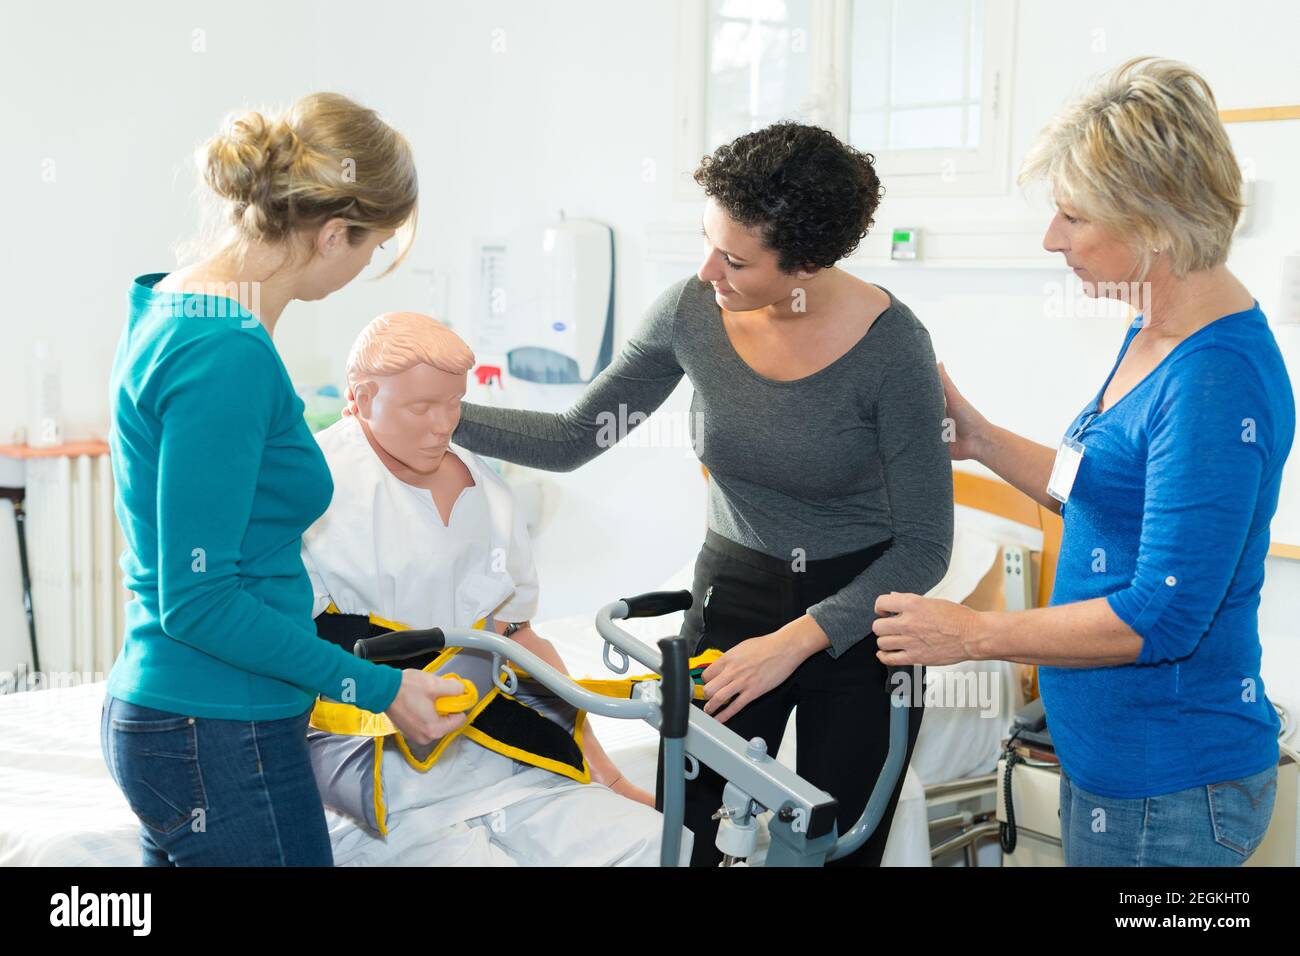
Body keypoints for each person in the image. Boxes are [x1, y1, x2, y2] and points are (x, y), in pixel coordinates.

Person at [428, 122, 954, 865]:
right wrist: (435, 414)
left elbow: (927, 547)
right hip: (736, 589)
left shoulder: (893, 346)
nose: (709, 270)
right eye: (707, 242)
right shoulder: (692, 312)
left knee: (835, 847)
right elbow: (577, 436)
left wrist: (797, 639)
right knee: (698, 836)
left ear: (805, 263)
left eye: (736, 259)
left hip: (860, 612)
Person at [872, 58, 1293, 866]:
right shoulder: (1154, 330)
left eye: (1072, 216)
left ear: (1153, 224)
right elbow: (1107, 494)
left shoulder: (1214, 381)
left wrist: (975, 634)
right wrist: (985, 441)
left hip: (1171, 787)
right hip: (1116, 769)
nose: (1051, 238)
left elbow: (1159, 617)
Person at [102, 93, 463, 866]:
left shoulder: (178, 304)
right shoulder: (223, 352)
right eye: (372, 248)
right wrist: (379, 688)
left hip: (190, 719)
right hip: (216, 723)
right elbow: (198, 600)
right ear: (334, 233)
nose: (367, 268)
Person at [303, 311, 689, 865]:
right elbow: (282, 646)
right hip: (385, 783)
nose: (444, 425)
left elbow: (518, 638)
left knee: (659, 847)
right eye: (422, 407)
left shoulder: (485, 487)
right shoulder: (314, 488)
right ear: (361, 398)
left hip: (506, 761)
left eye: (454, 403)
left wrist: (602, 773)